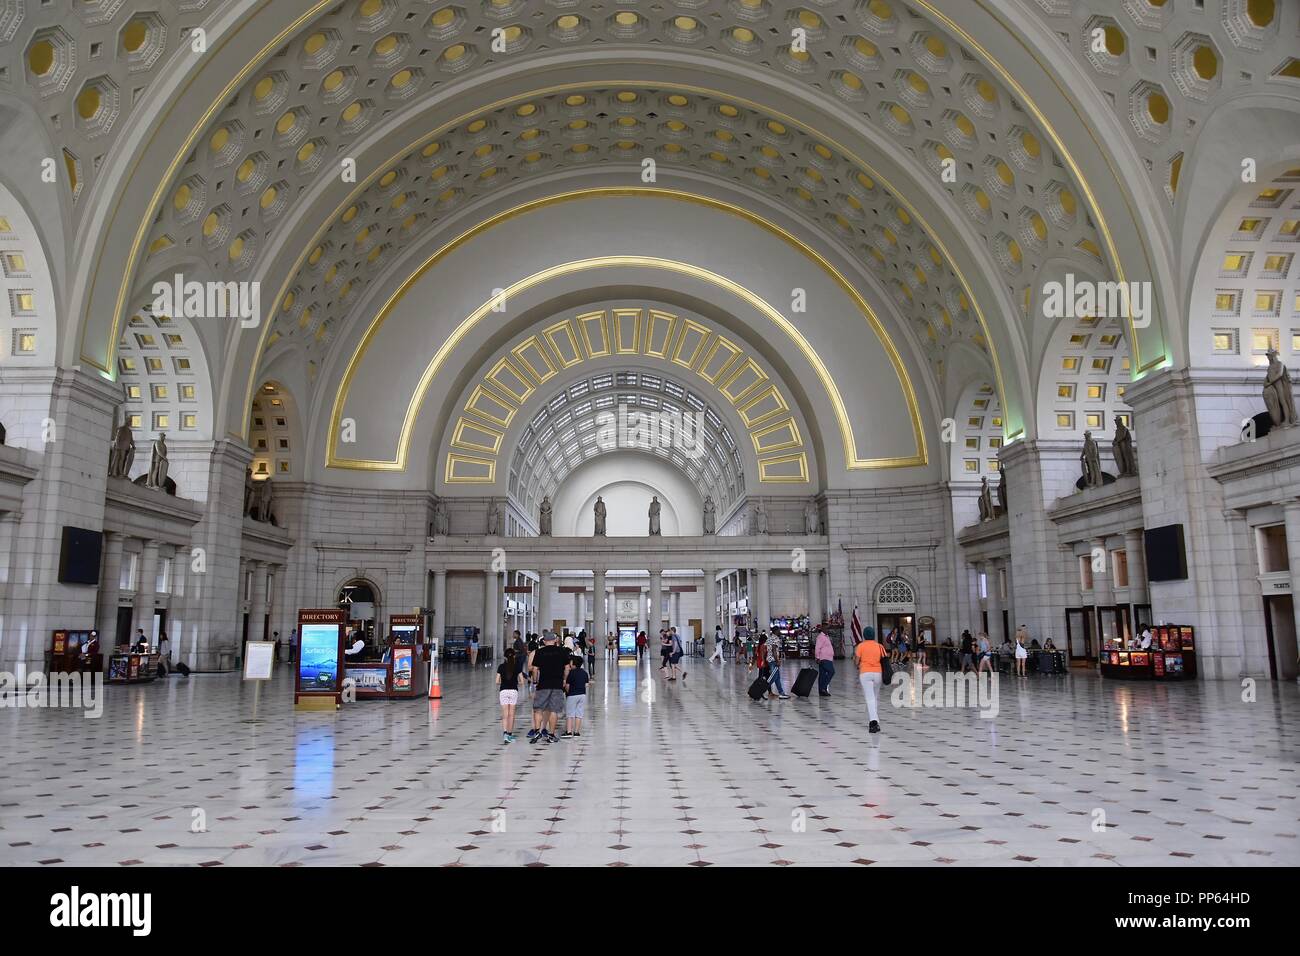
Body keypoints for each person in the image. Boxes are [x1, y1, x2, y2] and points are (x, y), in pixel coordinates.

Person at [528, 632, 569, 744]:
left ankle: (537, 732)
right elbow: (567, 667)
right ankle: (551, 735)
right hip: (557, 684)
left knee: (538, 709)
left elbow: (535, 669)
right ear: (555, 640)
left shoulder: (540, 652)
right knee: (554, 710)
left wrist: (536, 682)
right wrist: (564, 680)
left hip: (543, 684)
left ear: (544, 641)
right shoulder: (562, 651)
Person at [854, 634, 886, 733]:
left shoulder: (861, 646)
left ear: (864, 636)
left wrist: (858, 665)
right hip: (878, 673)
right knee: (874, 697)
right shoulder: (879, 646)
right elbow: (885, 658)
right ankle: (876, 719)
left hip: (865, 673)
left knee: (870, 697)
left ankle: (873, 723)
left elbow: (856, 661)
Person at [496, 648, 522, 743]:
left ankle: (505, 733)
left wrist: (503, 682)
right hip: (513, 691)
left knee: (505, 714)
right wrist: (515, 682)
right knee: (511, 714)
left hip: (503, 691)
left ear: (505, 657)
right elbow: (522, 681)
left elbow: (497, 681)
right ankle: (510, 734)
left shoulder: (501, 667)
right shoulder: (517, 666)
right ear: (514, 656)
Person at [562, 653, 589, 738]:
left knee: (570, 713)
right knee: (579, 713)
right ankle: (577, 732)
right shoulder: (584, 673)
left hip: (572, 695)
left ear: (573, 664)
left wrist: (568, 692)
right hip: (582, 695)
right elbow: (586, 684)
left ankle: (569, 732)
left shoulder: (571, 673)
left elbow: (567, 685)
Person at [814, 629, 835, 696]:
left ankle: (821, 691)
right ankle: (823, 687)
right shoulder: (820, 637)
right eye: (826, 627)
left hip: (828, 658)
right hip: (824, 658)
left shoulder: (827, 636)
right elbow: (817, 648)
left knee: (822, 674)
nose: (828, 629)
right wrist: (817, 657)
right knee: (831, 671)